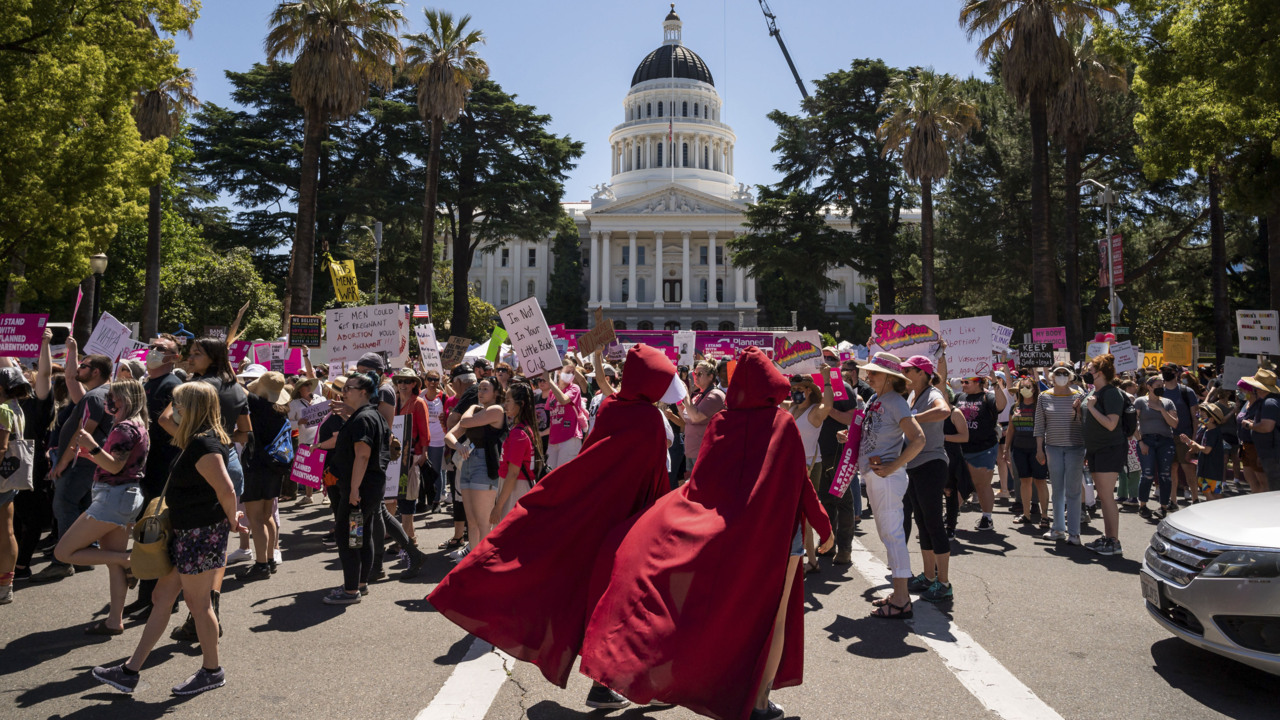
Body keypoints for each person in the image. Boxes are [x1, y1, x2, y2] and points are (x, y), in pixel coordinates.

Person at [578, 346, 833, 720]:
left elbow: (701, 484)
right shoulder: (782, 423)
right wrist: (823, 527)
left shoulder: (721, 423)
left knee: (709, 609)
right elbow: (800, 484)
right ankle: (759, 702)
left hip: (724, 534)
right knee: (772, 619)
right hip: (777, 535)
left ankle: (671, 679)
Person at [428, 344, 677, 708]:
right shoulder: (652, 422)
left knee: (589, 597)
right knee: (626, 604)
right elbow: (655, 480)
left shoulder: (609, 407)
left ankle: (613, 683)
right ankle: (626, 683)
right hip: (629, 526)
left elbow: (592, 455)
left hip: (591, 516)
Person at [91, 382, 247, 696]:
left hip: (200, 534)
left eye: (178, 403)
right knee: (162, 598)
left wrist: (233, 521)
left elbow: (227, 489)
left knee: (199, 605)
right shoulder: (195, 437)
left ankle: (212, 670)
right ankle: (130, 671)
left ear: (191, 408)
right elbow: (164, 420)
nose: (172, 409)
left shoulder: (204, 444)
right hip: (189, 532)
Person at [50, 378, 149, 631]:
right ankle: (114, 620)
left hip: (114, 496)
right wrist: (92, 453)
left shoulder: (124, 428)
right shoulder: (136, 425)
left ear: (125, 399)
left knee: (63, 552)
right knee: (113, 561)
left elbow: (115, 466)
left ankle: (129, 559)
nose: (108, 402)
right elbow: (117, 464)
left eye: (113, 398)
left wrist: (92, 447)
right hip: (124, 496)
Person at [30, 342, 114, 583]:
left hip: (80, 463)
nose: (79, 368)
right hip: (88, 463)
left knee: (64, 505)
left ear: (95, 372)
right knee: (81, 507)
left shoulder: (95, 397)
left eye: (84, 366)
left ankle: (64, 560)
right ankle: (83, 555)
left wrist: (63, 463)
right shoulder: (99, 394)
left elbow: (82, 434)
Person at [854, 352, 924, 618]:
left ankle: (902, 600)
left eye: (874, 373)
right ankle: (898, 594)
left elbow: (918, 439)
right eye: (869, 372)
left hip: (886, 477)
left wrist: (894, 466)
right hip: (879, 475)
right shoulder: (877, 399)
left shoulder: (894, 401)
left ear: (890, 377)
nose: (868, 376)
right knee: (889, 534)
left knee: (892, 535)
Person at [323, 372, 390, 605]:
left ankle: (351, 591)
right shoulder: (370, 414)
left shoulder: (363, 418)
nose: (344, 391)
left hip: (360, 489)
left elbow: (362, 455)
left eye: (349, 388)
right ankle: (359, 583)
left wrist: (353, 490)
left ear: (363, 392)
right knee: (359, 534)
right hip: (369, 487)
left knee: (348, 537)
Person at [902, 355, 953, 602]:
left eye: (908, 370)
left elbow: (944, 411)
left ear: (922, 372)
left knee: (933, 523)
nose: (904, 374)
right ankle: (929, 576)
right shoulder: (913, 395)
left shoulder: (933, 393)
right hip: (915, 464)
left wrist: (913, 419)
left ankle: (943, 582)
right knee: (922, 524)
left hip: (931, 463)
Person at [235, 370, 291, 581]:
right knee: (267, 516)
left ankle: (261, 565)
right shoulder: (281, 409)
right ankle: (268, 560)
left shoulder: (258, 405)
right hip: (274, 467)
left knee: (256, 519)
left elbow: (235, 385)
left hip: (257, 466)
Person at [443, 377, 507, 557]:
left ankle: (485, 560)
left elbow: (464, 422)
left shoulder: (496, 409)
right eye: (479, 389)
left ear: (496, 392)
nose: (480, 392)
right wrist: (458, 445)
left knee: (483, 521)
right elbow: (450, 435)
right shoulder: (478, 412)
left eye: (485, 389)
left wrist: (470, 407)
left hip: (485, 464)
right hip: (468, 463)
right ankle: (474, 559)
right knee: (471, 521)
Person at [815, 359, 863, 566]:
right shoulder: (810, 388)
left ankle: (845, 549)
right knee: (824, 502)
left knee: (842, 503)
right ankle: (828, 543)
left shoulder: (842, 388)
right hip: (817, 455)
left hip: (838, 453)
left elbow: (851, 418)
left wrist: (826, 408)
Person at [786, 373, 832, 574]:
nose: (796, 392)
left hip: (809, 467)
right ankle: (811, 560)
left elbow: (828, 404)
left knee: (806, 513)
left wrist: (828, 379)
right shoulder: (792, 408)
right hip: (792, 467)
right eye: (793, 389)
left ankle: (807, 558)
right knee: (801, 515)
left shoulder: (815, 411)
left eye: (800, 389)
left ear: (809, 391)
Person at [1036, 363, 1086, 545]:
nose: (1062, 376)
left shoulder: (1079, 396)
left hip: (1075, 447)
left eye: (1065, 373)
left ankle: (1074, 533)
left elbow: (1085, 423)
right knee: (1057, 489)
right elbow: (1040, 425)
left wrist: (1079, 411)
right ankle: (1058, 529)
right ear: (1052, 377)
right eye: (1058, 373)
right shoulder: (1044, 397)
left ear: (1071, 376)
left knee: (1073, 491)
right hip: (1053, 447)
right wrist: (1039, 448)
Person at [1081, 354, 1126, 556]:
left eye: (1089, 370)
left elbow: (1111, 424)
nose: (1086, 373)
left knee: (1107, 497)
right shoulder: (1095, 392)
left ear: (1100, 373)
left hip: (1109, 449)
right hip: (1096, 450)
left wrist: (1090, 408)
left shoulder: (1111, 393)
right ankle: (1108, 537)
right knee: (1104, 497)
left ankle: (1113, 541)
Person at [952, 373, 1007, 531]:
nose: (963, 384)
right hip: (961, 449)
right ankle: (951, 515)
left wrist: (995, 382)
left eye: (967, 382)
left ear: (979, 383)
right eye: (962, 381)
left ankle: (987, 517)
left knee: (982, 485)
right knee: (958, 484)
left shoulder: (987, 397)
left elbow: (1001, 405)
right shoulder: (959, 397)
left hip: (983, 449)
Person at [0, 367, 32, 605]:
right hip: (8, 479)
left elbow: (1, 447)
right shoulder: (16, 407)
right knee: (7, 531)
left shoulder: (2, 409)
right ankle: (5, 585)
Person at [491, 381, 542, 523]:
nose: (505, 405)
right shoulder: (523, 428)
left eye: (508, 400)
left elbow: (513, 473)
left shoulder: (519, 434)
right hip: (515, 486)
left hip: (515, 488)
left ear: (521, 404)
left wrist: (498, 506)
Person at [392, 368, 430, 547]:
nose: (403, 385)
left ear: (414, 384)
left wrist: (424, 452)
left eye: (407, 381)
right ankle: (410, 537)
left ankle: (405, 540)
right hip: (394, 455)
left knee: (407, 497)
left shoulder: (418, 403)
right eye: (400, 381)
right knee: (399, 496)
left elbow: (424, 430)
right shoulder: (394, 402)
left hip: (411, 455)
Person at [1005, 376, 1049, 529]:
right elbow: (1011, 429)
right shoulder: (1015, 407)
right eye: (1022, 387)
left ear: (1035, 389)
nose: (1025, 390)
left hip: (1037, 449)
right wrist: (1006, 449)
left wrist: (1041, 450)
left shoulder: (1040, 406)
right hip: (1019, 449)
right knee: (1024, 481)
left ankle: (1044, 516)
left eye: (1029, 387)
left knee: (1040, 481)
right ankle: (1026, 514)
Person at [1156, 363, 1202, 505]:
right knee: (1171, 470)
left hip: (1184, 437)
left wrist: (1193, 439)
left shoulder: (1186, 392)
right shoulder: (1159, 392)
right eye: (1163, 371)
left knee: (1188, 469)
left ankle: (1195, 498)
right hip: (1166, 437)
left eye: (1168, 371)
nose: (1165, 373)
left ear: (1176, 373)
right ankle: (1173, 501)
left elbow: (1195, 417)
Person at [1136, 375, 1179, 519]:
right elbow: (1133, 424)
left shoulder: (1168, 403)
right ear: (1149, 387)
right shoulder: (1140, 401)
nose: (1161, 387)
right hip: (1147, 440)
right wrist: (1140, 441)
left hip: (1165, 441)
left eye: (1162, 385)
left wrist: (1161, 409)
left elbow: (1174, 424)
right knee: (1147, 474)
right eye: (1158, 385)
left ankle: (1163, 507)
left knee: (1165, 475)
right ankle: (1143, 505)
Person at [679, 360, 725, 482]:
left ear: (711, 376)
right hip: (692, 452)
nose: (696, 377)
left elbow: (696, 417)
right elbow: (687, 417)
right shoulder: (700, 395)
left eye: (700, 374)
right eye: (695, 373)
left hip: (704, 453)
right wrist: (679, 400)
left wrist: (686, 395)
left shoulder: (715, 395)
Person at [287, 374, 325, 505]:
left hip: (322, 438)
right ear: (299, 389)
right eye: (305, 385)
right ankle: (309, 496)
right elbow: (288, 422)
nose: (308, 387)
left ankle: (327, 495)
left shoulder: (320, 400)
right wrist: (299, 422)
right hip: (306, 439)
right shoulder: (294, 404)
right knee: (308, 469)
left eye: (309, 385)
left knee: (325, 468)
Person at [1239, 369, 1279, 492]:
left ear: (1259, 388)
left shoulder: (1269, 403)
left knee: (1274, 491)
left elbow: (1267, 427)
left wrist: (1250, 426)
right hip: (1269, 454)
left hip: (1273, 456)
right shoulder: (1268, 401)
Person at [543, 358, 586, 470]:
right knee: (550, 475)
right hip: (553, 440)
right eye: (567, 372)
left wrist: (550, 381)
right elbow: (549, 410)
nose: (570, 375)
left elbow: (563, 400)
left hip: (570, 438)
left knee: (564, 475)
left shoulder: (574, 388)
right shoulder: (552, 391)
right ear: (558, 372)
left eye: (572, 372)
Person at [1182, 404, 1227, 500]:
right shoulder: (1207, 430)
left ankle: (1215, 512)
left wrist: (1194, 444)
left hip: (1212, 470)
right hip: (1206, 468)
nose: (1200, 418)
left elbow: (1207, 450)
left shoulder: (1213, 432)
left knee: (1211, 493)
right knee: (1211, 492)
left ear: (1211, 419)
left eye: (1203, 416)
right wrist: (1189, 442)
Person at [421, 370, 447, 511]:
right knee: (422, 471)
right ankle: (424, 500)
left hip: (438, 439)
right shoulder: (420, 395)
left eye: (436, 379)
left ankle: (436, 501)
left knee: (436, 470)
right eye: (429, 379)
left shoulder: (443, 397)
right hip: (422, 439)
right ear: (425, 381)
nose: (432, 382)